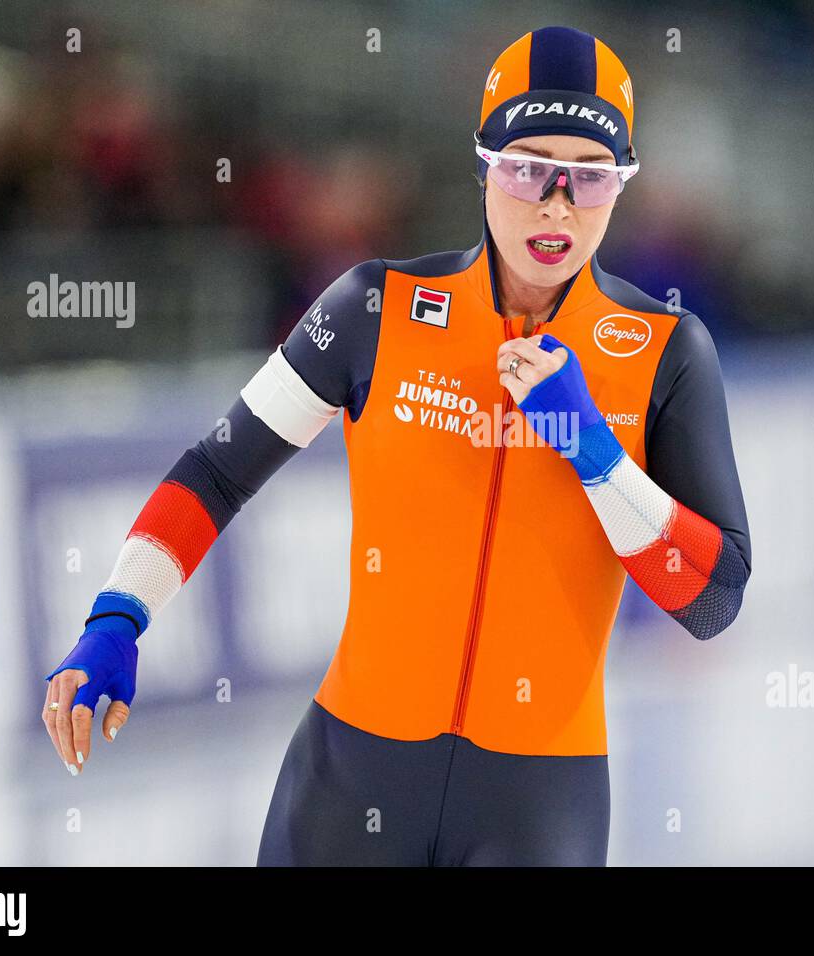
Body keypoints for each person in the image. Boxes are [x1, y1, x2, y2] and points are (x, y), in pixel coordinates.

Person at [41, 24, 751, 866]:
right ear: (484, 164)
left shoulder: (666, 350)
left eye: (588, 179)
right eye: (529, 168)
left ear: (621, 187)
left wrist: (592, 449)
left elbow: (712, 601)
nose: (556, 204)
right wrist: (118, 615)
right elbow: (217, 469)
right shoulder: (371, 309)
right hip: (349, 786)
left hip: (536, 806)